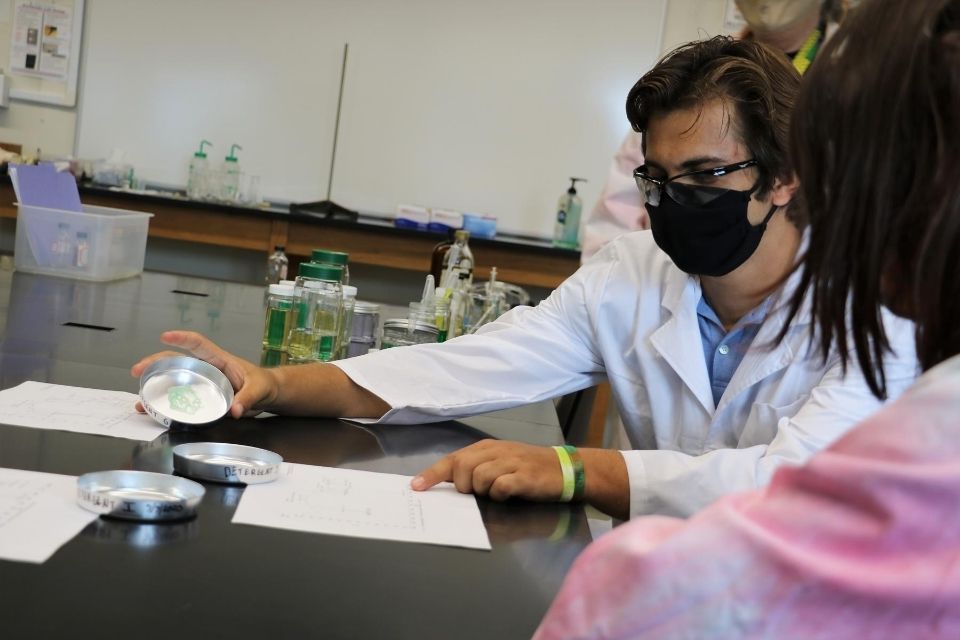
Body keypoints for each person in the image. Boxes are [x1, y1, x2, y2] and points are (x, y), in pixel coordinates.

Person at [133, 37, 916, 521]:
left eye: (706, 175)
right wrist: (275, 383)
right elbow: (461, 367)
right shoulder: (633, 278)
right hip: (656, 594)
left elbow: (794, 486)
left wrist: (579, 468)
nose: (676, 201)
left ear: (784, 176)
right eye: (659, 178)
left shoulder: (877, 311)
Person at [535, 0, 960, 636]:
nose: (838, 216)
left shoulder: (933, 407)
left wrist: (583, 475)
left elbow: (672, 592)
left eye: (856, 186)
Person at [580, 0, 846, 261]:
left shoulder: (861, 87)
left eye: (708, 175)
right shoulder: (692, 78)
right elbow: (615, 221)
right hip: (681, 289)